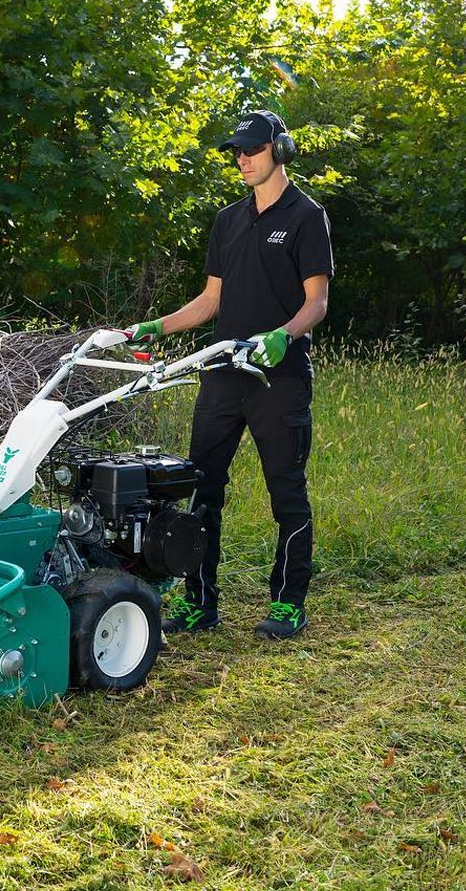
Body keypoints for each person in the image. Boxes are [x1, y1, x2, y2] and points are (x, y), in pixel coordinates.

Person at [125, 110, 334, 640]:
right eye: (236, 152)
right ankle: (201, 603)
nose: (241, 159)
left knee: (286, 492)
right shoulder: (227, 221)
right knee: (201, 489)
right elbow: (211, 301)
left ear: (279, 150)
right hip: (221, 372)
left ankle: (288, 603)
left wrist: (283, 335)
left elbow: (318, 303)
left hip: (278, 377)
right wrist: (158, 326)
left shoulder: (307, 216)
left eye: (251, 149)